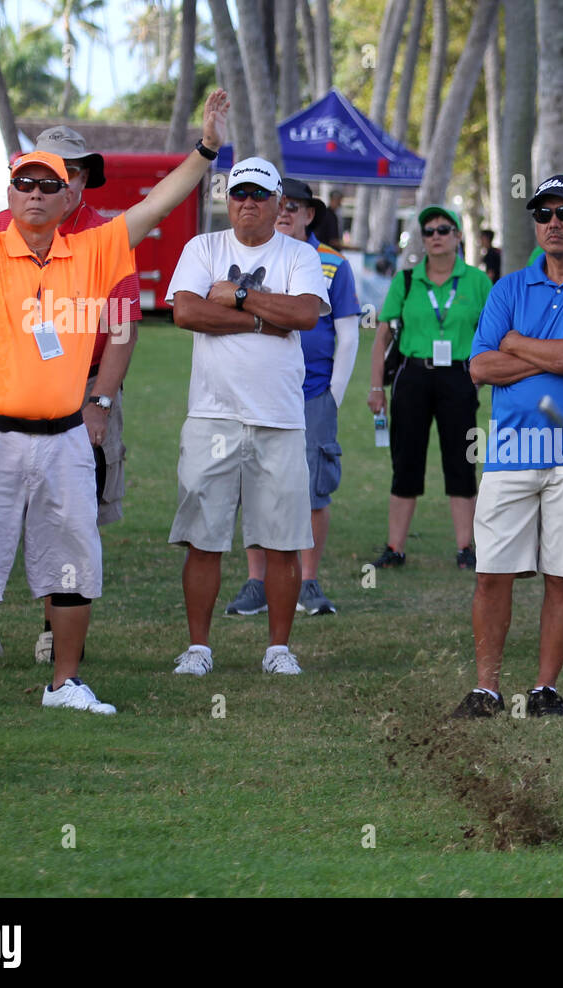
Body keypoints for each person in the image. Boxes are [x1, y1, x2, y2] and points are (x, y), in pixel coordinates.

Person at [0, 81, 233, 715]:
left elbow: (158, 204)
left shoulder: (94, 250)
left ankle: (65, 683)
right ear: (9, 194)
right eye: (25, 184)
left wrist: (206, 149)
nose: (35, 194)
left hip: (65, 435)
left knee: (72, 567)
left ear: (70, 195)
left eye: (48, 185)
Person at [456, 174, 563, 718]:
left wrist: (517, 344)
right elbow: (480, 367)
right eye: (543, 214)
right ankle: (486, 688)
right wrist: (549, 353)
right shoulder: (508, 286)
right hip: (511, 447)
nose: (552, 222)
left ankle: (544, 689)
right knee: (492, 572)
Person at [0, 125, 143, 667]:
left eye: (72, 172)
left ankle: (55, 628)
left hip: (87, 386)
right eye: (48, 171)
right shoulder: (2, 225)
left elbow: (122, 329)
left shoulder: (104, 234)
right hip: (8, 392)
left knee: (72, 515)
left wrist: (98, 404)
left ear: (81, 183)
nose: (61, 181)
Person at [166, 158, 330, 677]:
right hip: (211, 414)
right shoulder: (203, 248)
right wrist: (265, 319)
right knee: (203, 537)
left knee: (282, 539)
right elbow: (186, 312)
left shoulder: (299, 253)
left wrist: (237, 296)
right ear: (227, 200)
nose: (248, 203)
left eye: (260, 195)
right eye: (239, 194)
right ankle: (198, 648)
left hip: (280, 418)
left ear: (280, 203)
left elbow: (305, 314)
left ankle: (278, 649)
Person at [225, 178, 360, 618]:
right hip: (255, 393)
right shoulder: (249, 258)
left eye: (293, 206)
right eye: (276, 203)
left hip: (311, 395)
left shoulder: (333, 264)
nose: (282, 211)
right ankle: (256, 582)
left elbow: (348, 332)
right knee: (253, 486)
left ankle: (308, 580)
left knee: (314, 489)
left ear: (308, 214)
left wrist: (333, 394)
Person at [368, 206, 492, 570]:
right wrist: (376, 387)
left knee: (461, 462)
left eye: (443, 229)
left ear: (457, 236)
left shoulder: (477, 281)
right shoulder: (406, 280)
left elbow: (493, 333)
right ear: (423, 240)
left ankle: (466, 549)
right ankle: (395, 548)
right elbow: (383, 335)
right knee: (405, 462)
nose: (435, 236)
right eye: (429, 232)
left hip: (459, 377)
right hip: (413, 376)